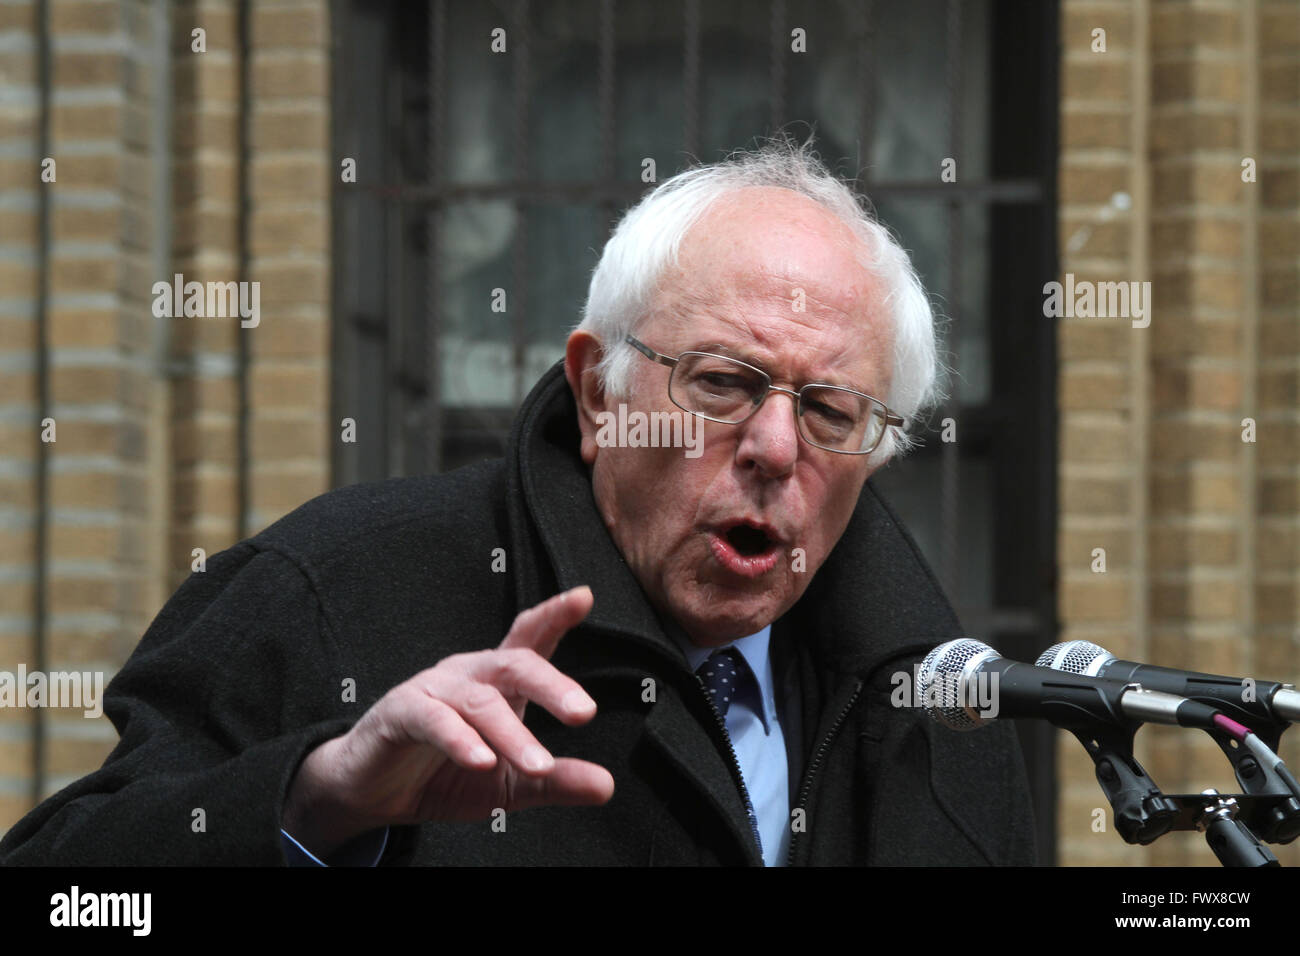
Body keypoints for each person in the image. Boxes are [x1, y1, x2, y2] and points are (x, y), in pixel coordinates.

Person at [0, 141, 1036, 866]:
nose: (773, 446)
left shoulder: (940, 701)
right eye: (720, 383)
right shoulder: (334, 588)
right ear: (595, 392)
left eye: (829, 409)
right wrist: (319, 800)